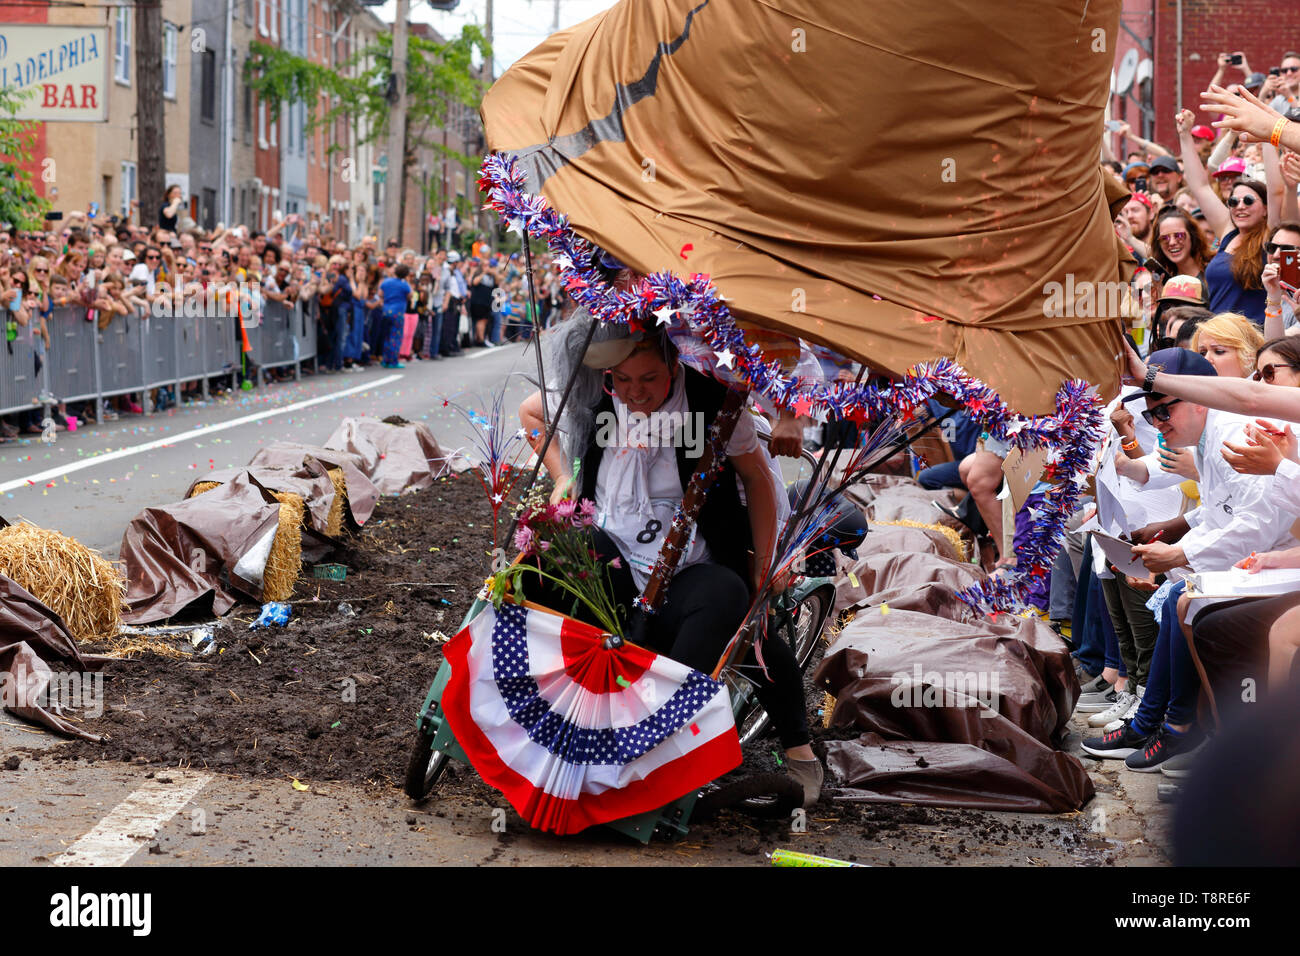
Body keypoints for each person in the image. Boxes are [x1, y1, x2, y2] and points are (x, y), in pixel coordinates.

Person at [517, 317, 822, 806]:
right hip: (614, 556)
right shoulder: (593, 391)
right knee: (543, 560)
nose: (635, 393)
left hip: (688, 567)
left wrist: (765, 561)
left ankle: (673, 741)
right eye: (624, 381)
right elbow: (532, 414)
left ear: (673, 366)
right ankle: (545, 713)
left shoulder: (709, 402)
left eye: (650, 379)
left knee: (736, 614)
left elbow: (760, 480)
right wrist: (563, 479)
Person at [378, 263, 412, 368]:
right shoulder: (404, 284)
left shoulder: (386, 281)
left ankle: (385, 359)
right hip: (398, 312)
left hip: (386, 310)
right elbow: (410, 296)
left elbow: (380, 294)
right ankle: (393, 361)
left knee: (386, 336)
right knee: (395, 336)